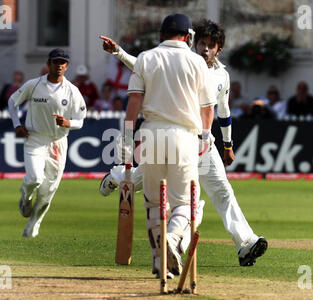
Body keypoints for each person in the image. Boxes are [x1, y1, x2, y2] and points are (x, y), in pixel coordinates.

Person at [99, 19, 267, 273]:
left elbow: (223, 111)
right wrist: (119, 53)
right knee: (144, 185)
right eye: (201, 43)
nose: (205, 49)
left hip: (203, 144)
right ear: (193, 41)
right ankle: (116, 177)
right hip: (181, 138)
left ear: (219, 49)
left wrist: (228, 144)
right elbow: (142, 66)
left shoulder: (222, 75)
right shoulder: (182, 60)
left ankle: (245, 243)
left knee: (221, 191)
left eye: (211, 46)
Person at [105, 13, 216, 277]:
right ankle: (174, 238)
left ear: (162, 34)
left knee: (154, 203)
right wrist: (205, 136)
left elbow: (133, 102)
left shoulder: (146, 58)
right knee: (185, 204)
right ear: (188, 37)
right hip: (184, 137)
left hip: (151, 134)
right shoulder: (197, 62)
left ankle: (160, 262)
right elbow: (208, 107)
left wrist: (126, 137)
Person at [8, 48, 87, 238]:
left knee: (48, 190)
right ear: (48, 64)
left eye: (63, 63)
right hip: (35, 138)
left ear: (66, 66)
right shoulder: (34, 85)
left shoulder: (72, 91)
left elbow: (80, 120)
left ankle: (32, 227)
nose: (59, 66)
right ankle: (25, 197)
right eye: (56, 62)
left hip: (58, 142)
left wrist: (68, 123)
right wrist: (17, 124)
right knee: (35, 178)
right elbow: (12, 101)